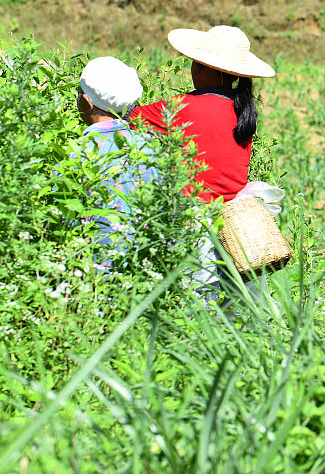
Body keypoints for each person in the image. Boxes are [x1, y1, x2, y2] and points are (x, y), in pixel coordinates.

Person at [130, 25, 278, 304]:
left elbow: (132, 117)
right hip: (235, 228)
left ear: (213, 71)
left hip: (193, 224)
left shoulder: (183, 106)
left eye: (196, 64)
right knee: (233, 313)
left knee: (194, 306)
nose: (192, 70)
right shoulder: (242, 110)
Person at [75, 56, 161, 262]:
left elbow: (64, 216)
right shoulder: (151, 146)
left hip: (93, 272)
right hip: (144, 267)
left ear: (85, 102)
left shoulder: (79, 152)